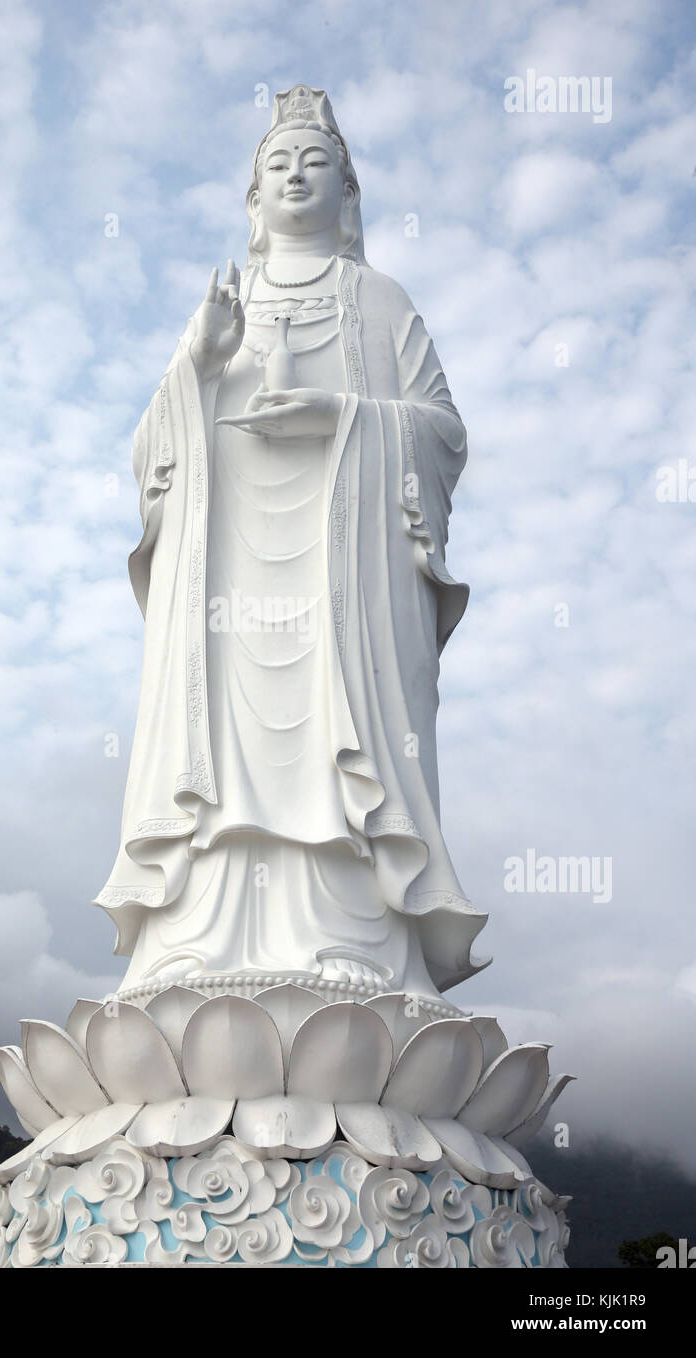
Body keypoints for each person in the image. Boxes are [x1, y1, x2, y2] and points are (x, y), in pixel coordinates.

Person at [96, 85, 489, 1005]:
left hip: (341, 577)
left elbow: (442, 431)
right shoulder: (220, 306)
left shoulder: (379, 301)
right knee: (219, 752)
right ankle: (192, 938)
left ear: (348, 195)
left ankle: (348, 934)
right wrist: (198, 366)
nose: (297, 174)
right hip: (225, 576)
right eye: (279, 163)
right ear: (254, 199)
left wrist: (341, 417)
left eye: (317, 163)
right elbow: (151, 454)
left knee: (333, 741)